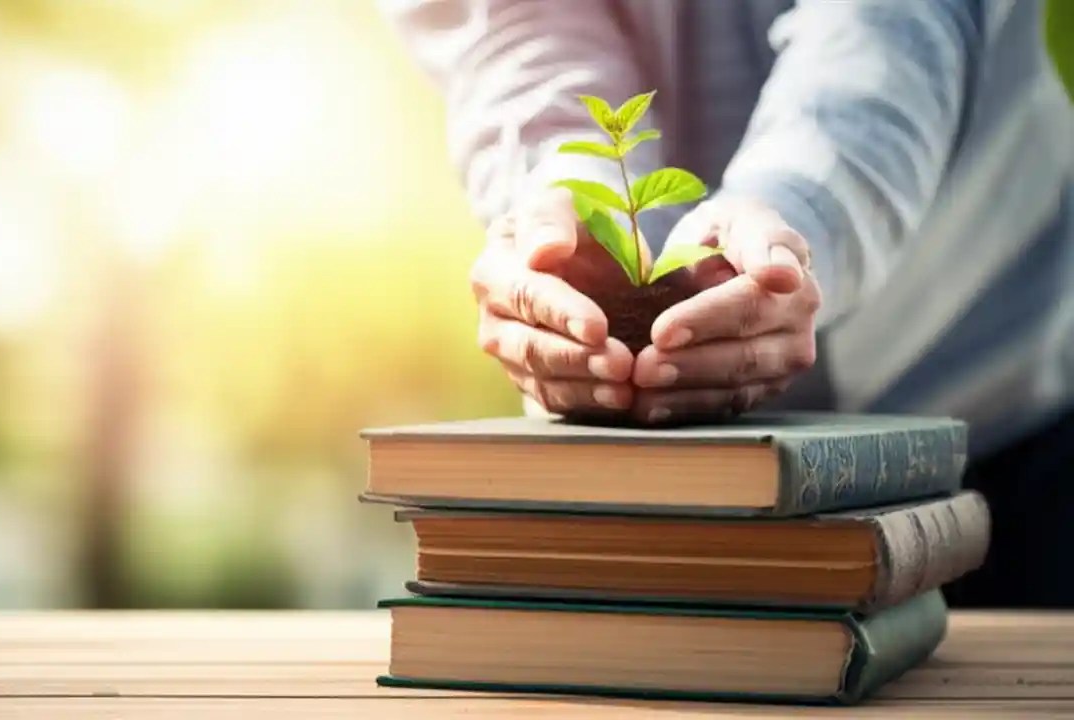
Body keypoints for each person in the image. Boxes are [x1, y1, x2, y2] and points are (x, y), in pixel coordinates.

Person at [379, 0, 1074, 607]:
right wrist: (561, 205)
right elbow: (515, 27)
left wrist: (789, 215)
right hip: (674, 478)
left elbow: (889, 33)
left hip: (990, 394)